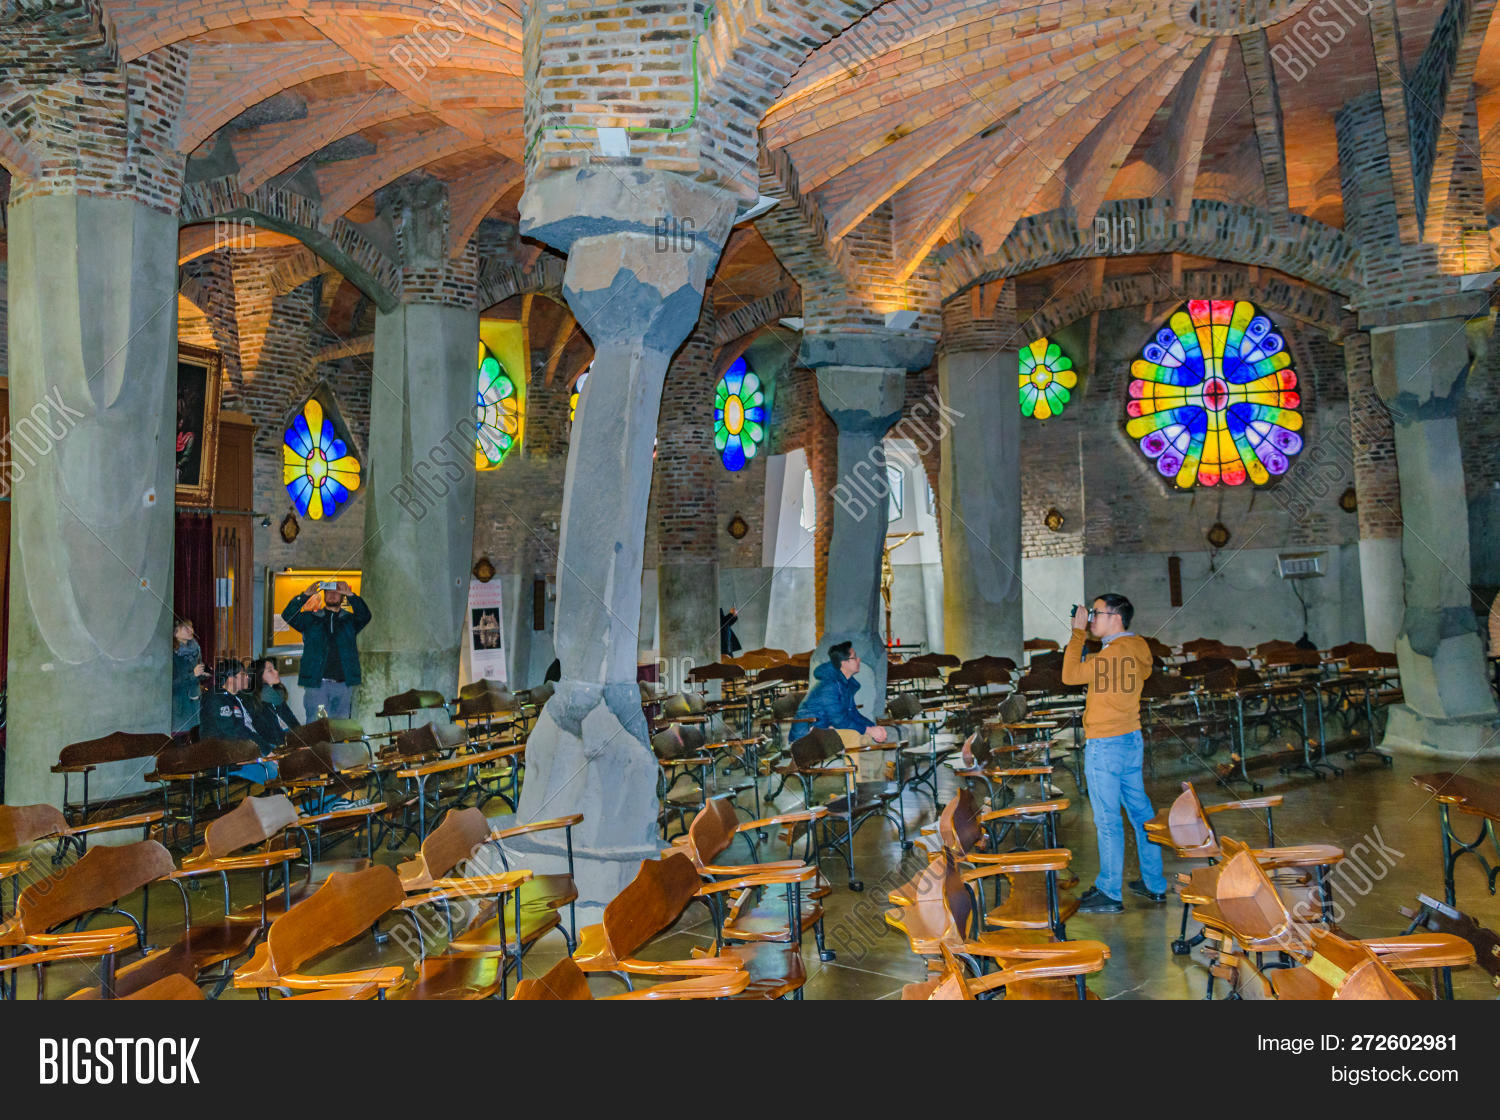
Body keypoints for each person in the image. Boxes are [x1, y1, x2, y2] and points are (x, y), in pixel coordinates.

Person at [1061, 594, 1167, 914]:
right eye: (1090, 614)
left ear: (1116, 618)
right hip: (1130, 740)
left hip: (1106, 745)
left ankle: (1110, 891)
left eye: (1096, 613)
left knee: (1108, 821)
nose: (1091, 618)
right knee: (1141, 815)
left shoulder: (1111, 655)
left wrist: (1077, 632)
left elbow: (1069, 676)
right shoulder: (1137, 648)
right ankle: (1154, 883)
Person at [281, 580, 371, 721]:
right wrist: (304, 596)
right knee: (318, 727)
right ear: (324, 595)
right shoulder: (311, 619)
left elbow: (365, 616)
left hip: (343, 685)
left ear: (342, 597)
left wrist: (351, 595)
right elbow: (288, 615)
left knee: (340, 730)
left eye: (337, 592)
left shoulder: (349, 620)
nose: (333, 594)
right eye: (329, 591)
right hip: (318, 685)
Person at [796, 641, 889, 743]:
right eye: (854, 657)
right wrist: (869, 730)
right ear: (844, 663)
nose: (859, 660)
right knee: (859, 738)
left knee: (866, 740)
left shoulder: (845, 684)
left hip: (827, 730)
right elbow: (839, 720)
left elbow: (853, 715)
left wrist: (874, 728)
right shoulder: (829, 686)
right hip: (807, 736)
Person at [247, 656, 300, 748]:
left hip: (289, 744)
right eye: (270, 670)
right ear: (259, 675)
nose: (276, 672)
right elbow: (269, 735)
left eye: (274, 669)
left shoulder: (277, 696)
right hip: (273, 749)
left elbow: (294, 725)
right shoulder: (257, 702)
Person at [171, 618, 209, 737]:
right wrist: (193, 675)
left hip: (196, 701)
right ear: (175, 632)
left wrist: (203, 674)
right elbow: (170, 683)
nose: (190, 630)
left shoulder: (195, 649)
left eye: (191, 627)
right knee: (182, 744)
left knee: (197, 741)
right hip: (180, 706)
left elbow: (196, 676)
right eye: (185, 628)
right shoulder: (171, 653)